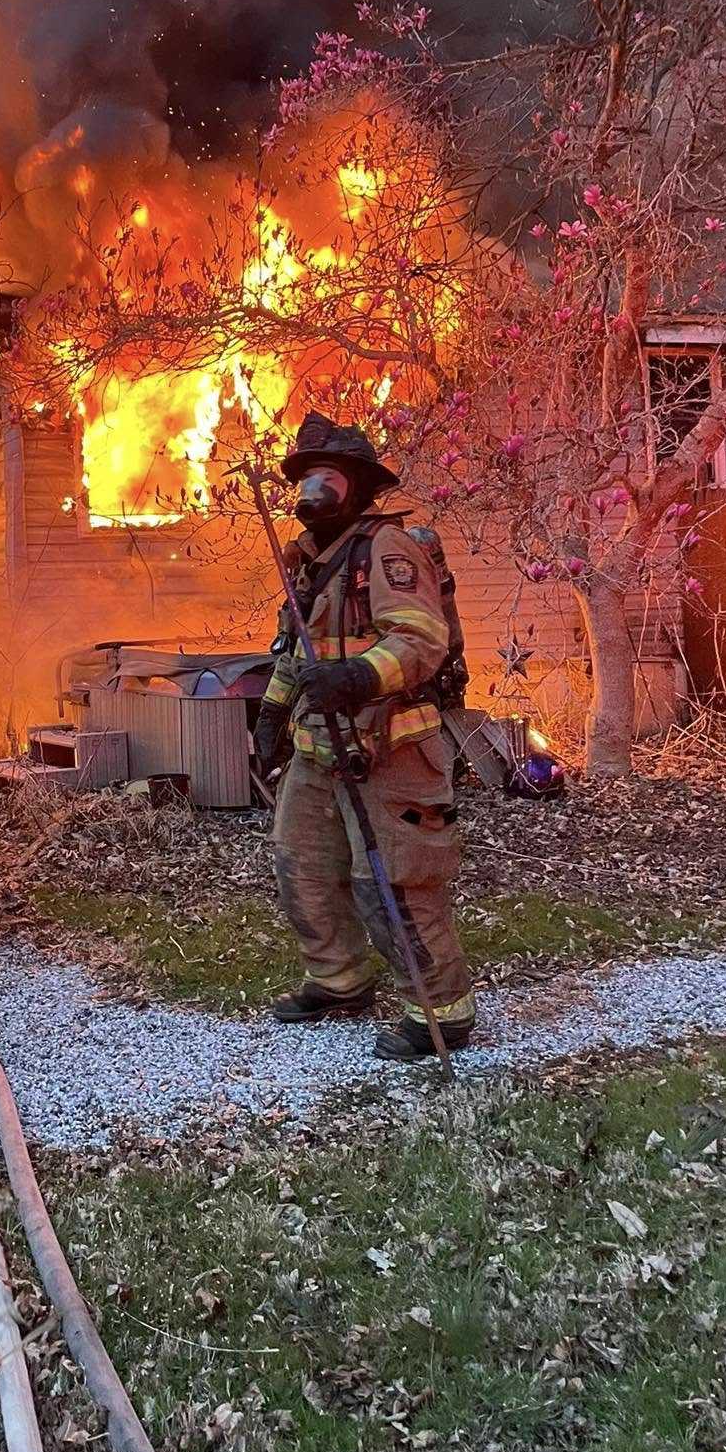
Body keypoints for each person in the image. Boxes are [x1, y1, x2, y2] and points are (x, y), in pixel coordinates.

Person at [252, 415, 477, 1060]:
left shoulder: (387, 551)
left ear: (357, 488)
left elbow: (420, 639)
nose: (314, 490)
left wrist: (357, 675)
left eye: (329, 477)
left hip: (392, 747)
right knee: (304, 867)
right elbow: (297, 650)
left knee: (397, 883)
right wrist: (272, 714)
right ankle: (339, 980)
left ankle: (441, 1011)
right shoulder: (306, 562)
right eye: (308, 477)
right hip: (320, 748)